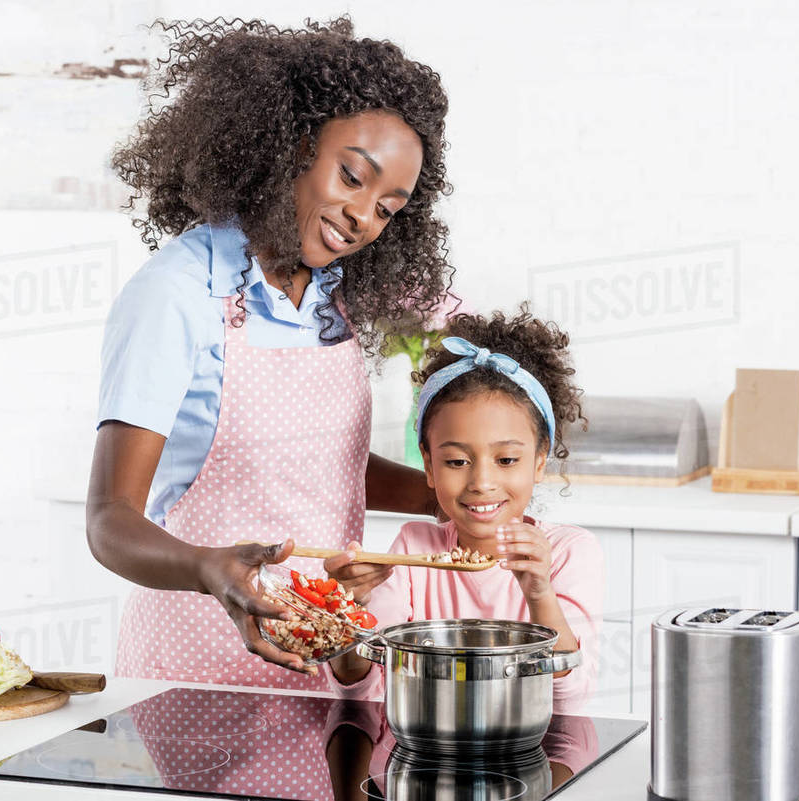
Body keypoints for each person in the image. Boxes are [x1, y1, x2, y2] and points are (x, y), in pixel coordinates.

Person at [85, 17, 453, 691]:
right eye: (351, 176)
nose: (362, 216)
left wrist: (445, 495)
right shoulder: (178, 293)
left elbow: (319, 467)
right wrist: (208, 569)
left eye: (388, 207)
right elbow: (110, 520)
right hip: (198, 673)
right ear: (291, 143)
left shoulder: (332, 295)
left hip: (328, 658)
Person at [326, 306, 604, 712]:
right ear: (429, 466)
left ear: (540, 461)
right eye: (457, 462)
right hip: (425, 747)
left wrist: (540, 591)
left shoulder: (568, 552)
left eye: (506, 460)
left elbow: (569, 695)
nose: (481, 482)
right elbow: (362, 688)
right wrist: (347, 612)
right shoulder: (412, 550)